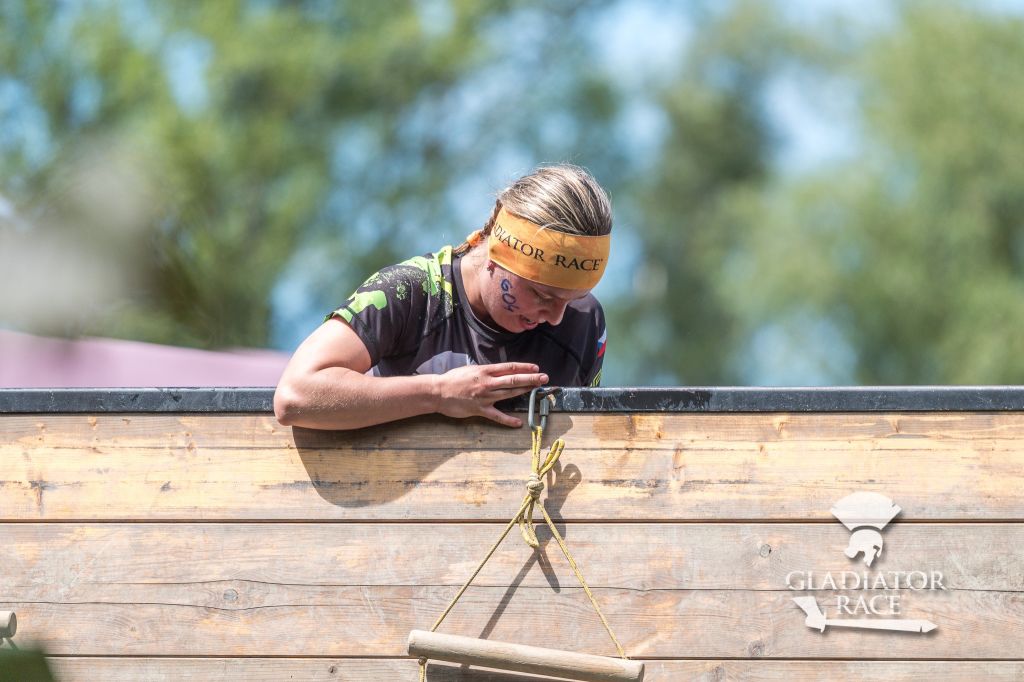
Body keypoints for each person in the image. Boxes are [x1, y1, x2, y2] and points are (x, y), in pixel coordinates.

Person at [274, 164, 611, 430]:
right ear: (496, 255)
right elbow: (295, 394)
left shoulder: (584, 321)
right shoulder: (409, 292)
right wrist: (438, 394)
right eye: (541, 294)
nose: (555, 317)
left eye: (571, 298)